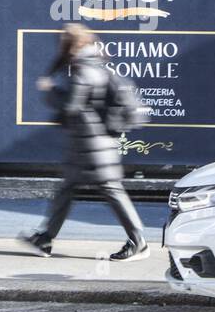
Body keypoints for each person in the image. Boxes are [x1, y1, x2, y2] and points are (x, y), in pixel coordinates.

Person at [19, 23, 149, 261]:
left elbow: (72, 106)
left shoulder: (83, 71)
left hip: (90, 146)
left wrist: (50, 90)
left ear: (69, 45)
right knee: (69, 190)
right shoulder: (97, 65)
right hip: (93, 144)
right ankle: (45, 237)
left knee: (109, 190)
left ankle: (138, 240)